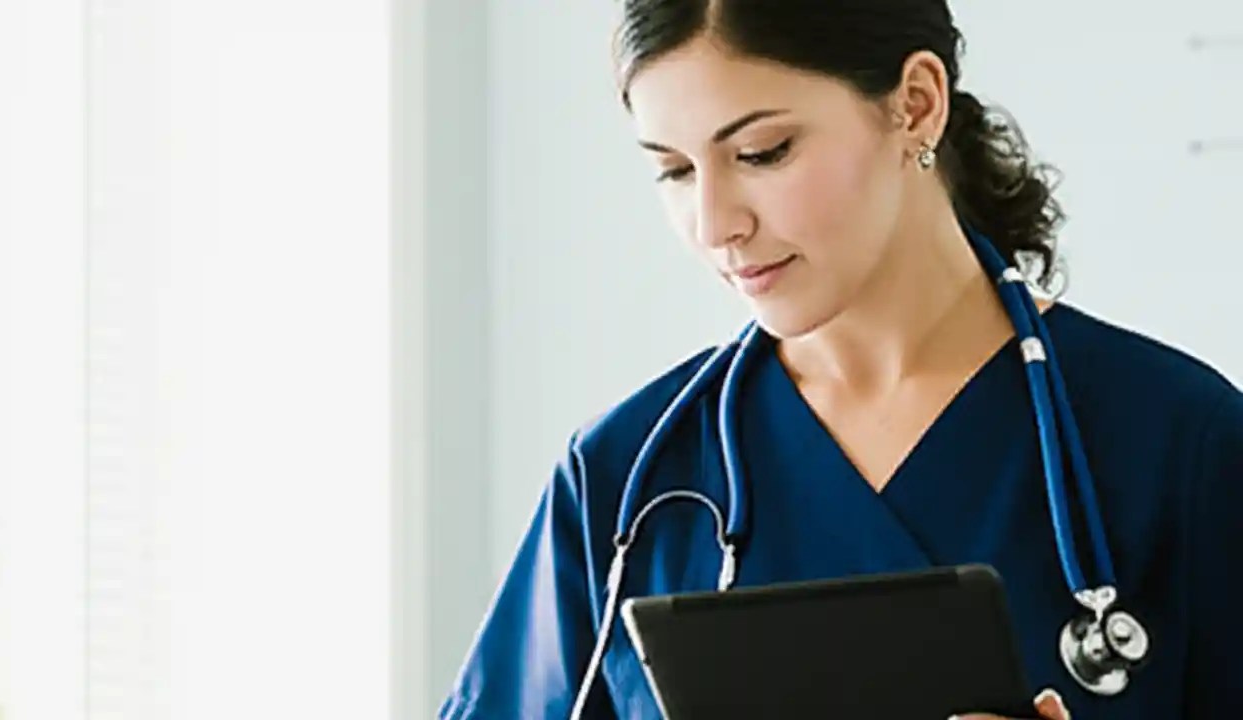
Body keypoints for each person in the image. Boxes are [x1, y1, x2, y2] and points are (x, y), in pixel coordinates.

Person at [440, 1, 1243, 717]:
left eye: (763, 152)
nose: (715, 223)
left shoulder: (1177, 444)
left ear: (916, 104)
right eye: (675, 170)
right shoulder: (629, 481)